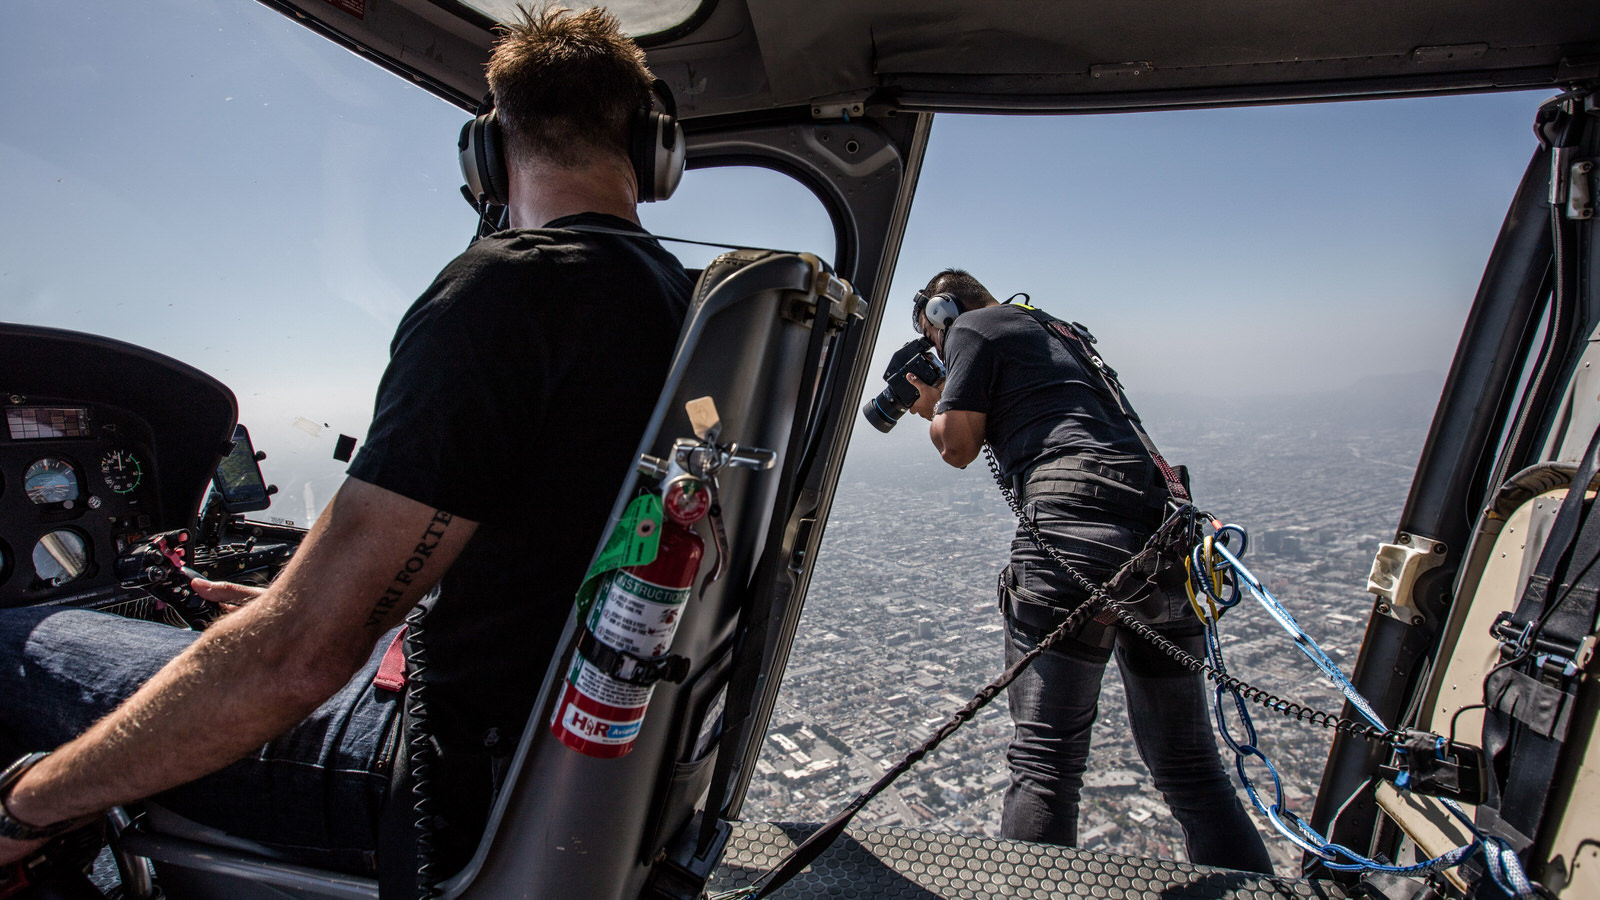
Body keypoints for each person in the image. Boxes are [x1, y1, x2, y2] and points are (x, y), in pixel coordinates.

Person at [0, 5, 692, 878]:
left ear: (486, 156)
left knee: (19, 641)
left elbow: (293, 665)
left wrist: (23, 809)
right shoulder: (681, 303)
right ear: (655, 152)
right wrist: (328, 614)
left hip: (437, 777)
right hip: (558, 754)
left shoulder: (506, 294)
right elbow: (542, 545)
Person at [904, 269, 1272, 873]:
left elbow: (959, 446)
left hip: (1075, 530)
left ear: (943, 313)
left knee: (1045, 765)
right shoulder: (1062, 332)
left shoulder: (972, 327)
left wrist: (934, 405)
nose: (939, 351)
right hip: (1166, 537)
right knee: (1193, 772)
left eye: (932, 337)